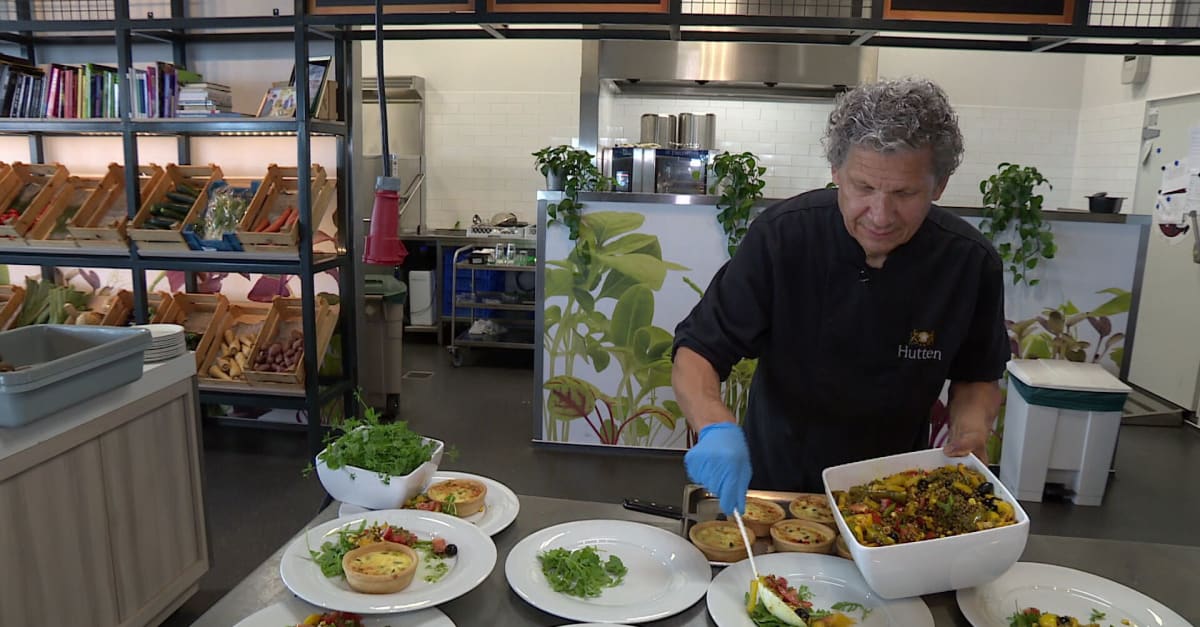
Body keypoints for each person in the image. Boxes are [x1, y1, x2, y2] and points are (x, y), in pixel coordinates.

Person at [672, 77, 1010, 515]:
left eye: (905, 194)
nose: (880, 216)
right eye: (863, 188)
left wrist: (970, 433)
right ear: (836, 173)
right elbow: (698, 351)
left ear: (939, 185)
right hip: (776, 486)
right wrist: (714, 425)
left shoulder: (969, 262)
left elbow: (977, 374)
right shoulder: (783, 238)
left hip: (894, 494)